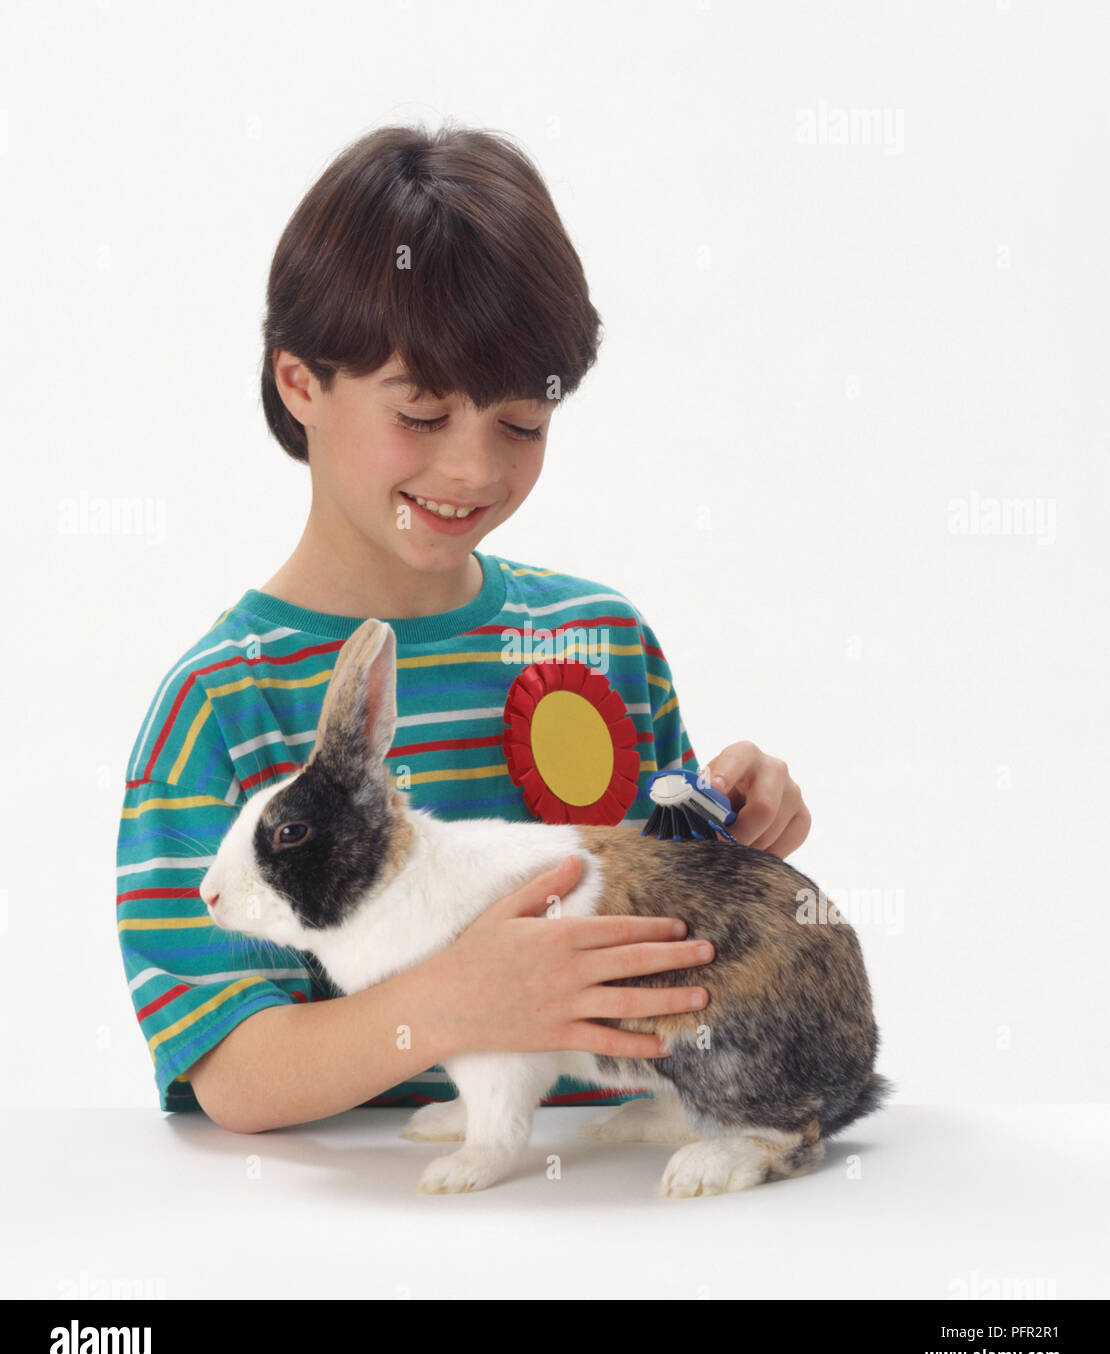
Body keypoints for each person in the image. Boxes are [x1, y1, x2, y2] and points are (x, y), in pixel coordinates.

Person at [115, 123, 809, 1136]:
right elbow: (231, 1073)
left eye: (522, 425)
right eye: (424, 414)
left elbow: (675, 910)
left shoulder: (602, 637)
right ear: (301, 381)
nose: (477, 471)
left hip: (620, 1183)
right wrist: (453, 1004)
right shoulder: (220, 703)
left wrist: (738, 828)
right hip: (368, 1211)